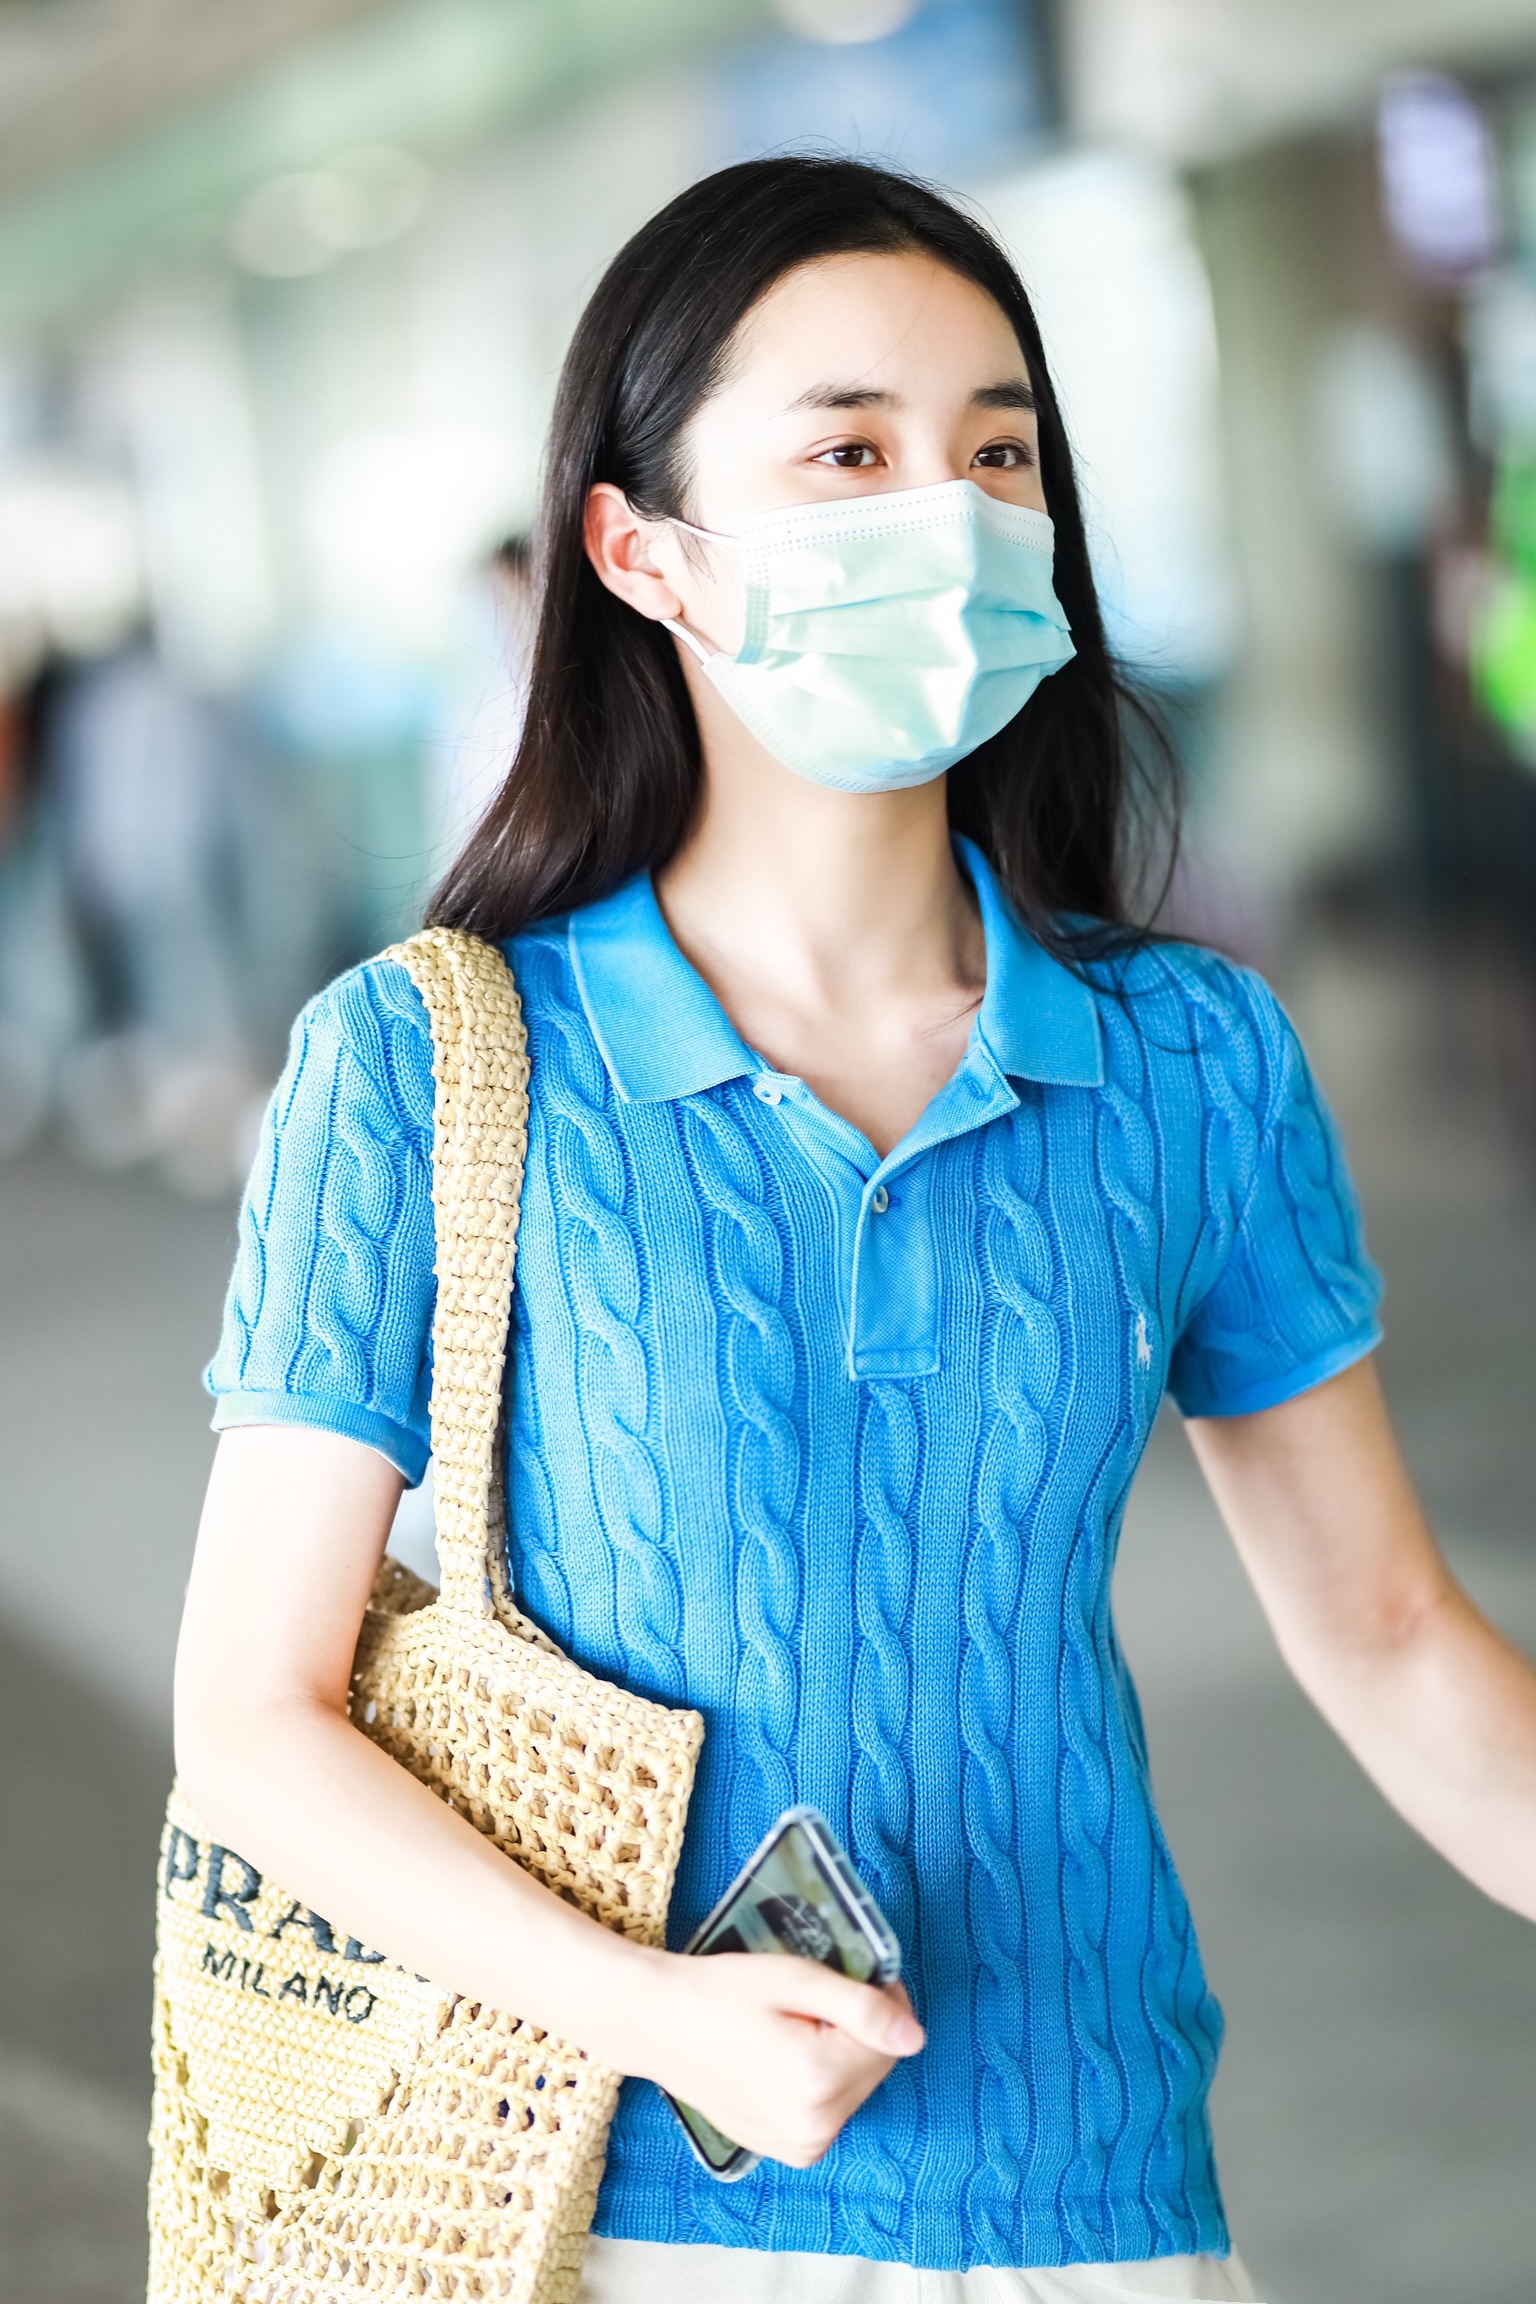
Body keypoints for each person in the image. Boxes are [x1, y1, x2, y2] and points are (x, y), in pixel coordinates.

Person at [180, 158, 1536, 2303]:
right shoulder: (427, 1064)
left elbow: (1388, 1642)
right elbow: (252, 1718)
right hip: (595, 2203)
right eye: (851, 450)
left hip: (1095, 2194)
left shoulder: (1190, 1066)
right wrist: (654, 2015)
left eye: (1000, 450)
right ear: (641, 550)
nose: (954, 511)